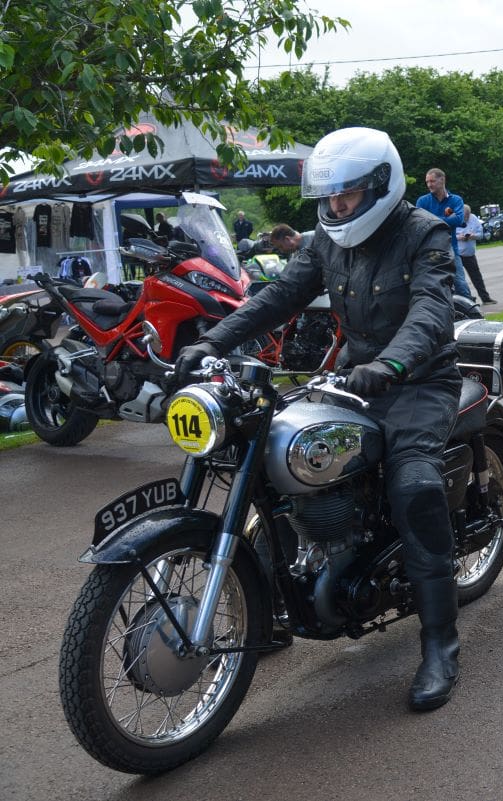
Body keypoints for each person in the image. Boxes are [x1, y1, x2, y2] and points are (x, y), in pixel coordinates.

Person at [176, 127, 465, 712]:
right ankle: (274, 605)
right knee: (280, 462)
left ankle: (440, 643)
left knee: (414, 488)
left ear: (381, 186)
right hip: (355, 378)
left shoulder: (423, 232)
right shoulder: (324, 240)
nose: (336, 206)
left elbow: (432, 309)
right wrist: (211, 341)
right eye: (329, 196)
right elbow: (278, 296)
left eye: (347, 195)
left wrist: (392, 363)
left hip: (418, 380)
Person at [416, 167, 475, 300]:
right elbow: (419, 223)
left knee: (460, 284)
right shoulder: (422, 201)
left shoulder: (456, 200)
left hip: (450, 248)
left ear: (442, 180)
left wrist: (431, 219)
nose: (429, 185)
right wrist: (448, 219)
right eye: (427, 182)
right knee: (432, 286)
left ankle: (471, 310)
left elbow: (458, 220)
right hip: (429, 250)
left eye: (432, 181)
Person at [458, 204, 495, 304]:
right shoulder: (454, 219)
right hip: (457, 255)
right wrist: (459, 237)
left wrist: (473, 236)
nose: (466, 218)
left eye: (467, 215)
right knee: (460, 279)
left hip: (469, 254)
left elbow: (481, 235)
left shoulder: (474, 218)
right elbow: (448, 235)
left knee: (477, 277)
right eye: (464, 216)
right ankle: (467, 299)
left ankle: (485, 298)